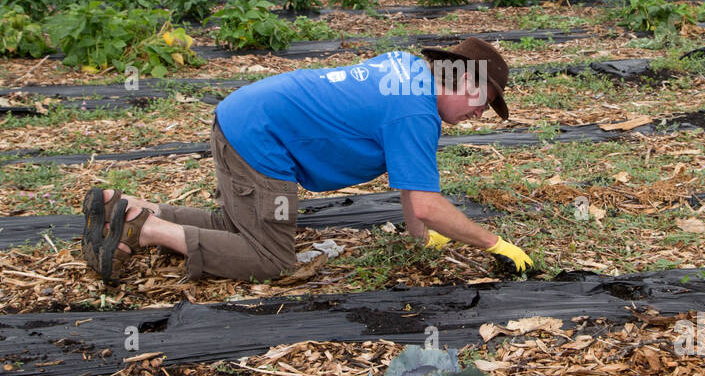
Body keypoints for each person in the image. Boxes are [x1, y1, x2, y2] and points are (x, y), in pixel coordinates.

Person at [81, 38, 532, 284]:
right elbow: (429, 204)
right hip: (261, 142)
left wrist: (422, 239)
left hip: (242, 117)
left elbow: (413, 195)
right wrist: (495, 245)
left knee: (238, 225)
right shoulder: (415, 112)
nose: (477, 113)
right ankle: (148, 230)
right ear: (461, 80)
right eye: (480, 99)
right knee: (272, 260)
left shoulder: (408, 71)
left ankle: (137, 209)